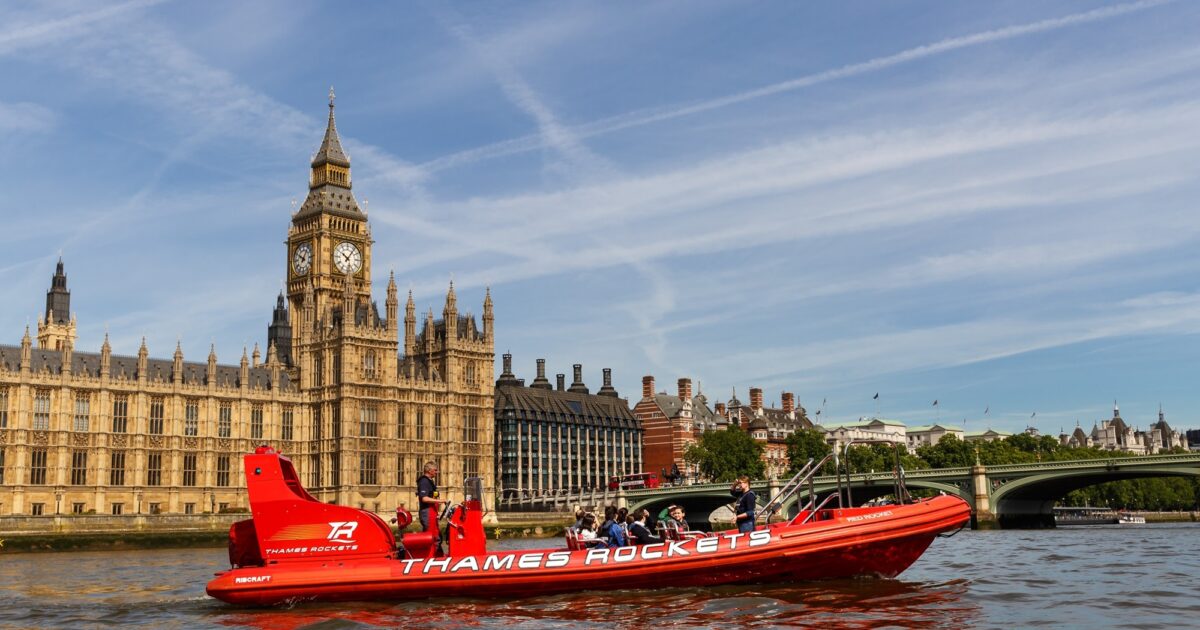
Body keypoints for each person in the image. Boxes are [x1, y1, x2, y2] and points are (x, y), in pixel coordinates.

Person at [416, 461, 442, 552]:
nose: (436, 472)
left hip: (432, 512)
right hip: (427, 511)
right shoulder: (424, 481)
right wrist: (440, 501)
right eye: (435, 470)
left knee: (436, 534)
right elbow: (424, 498)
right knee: (431, 535)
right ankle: (430, 555)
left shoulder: (430, 481)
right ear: (429, 471)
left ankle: (436, 554)